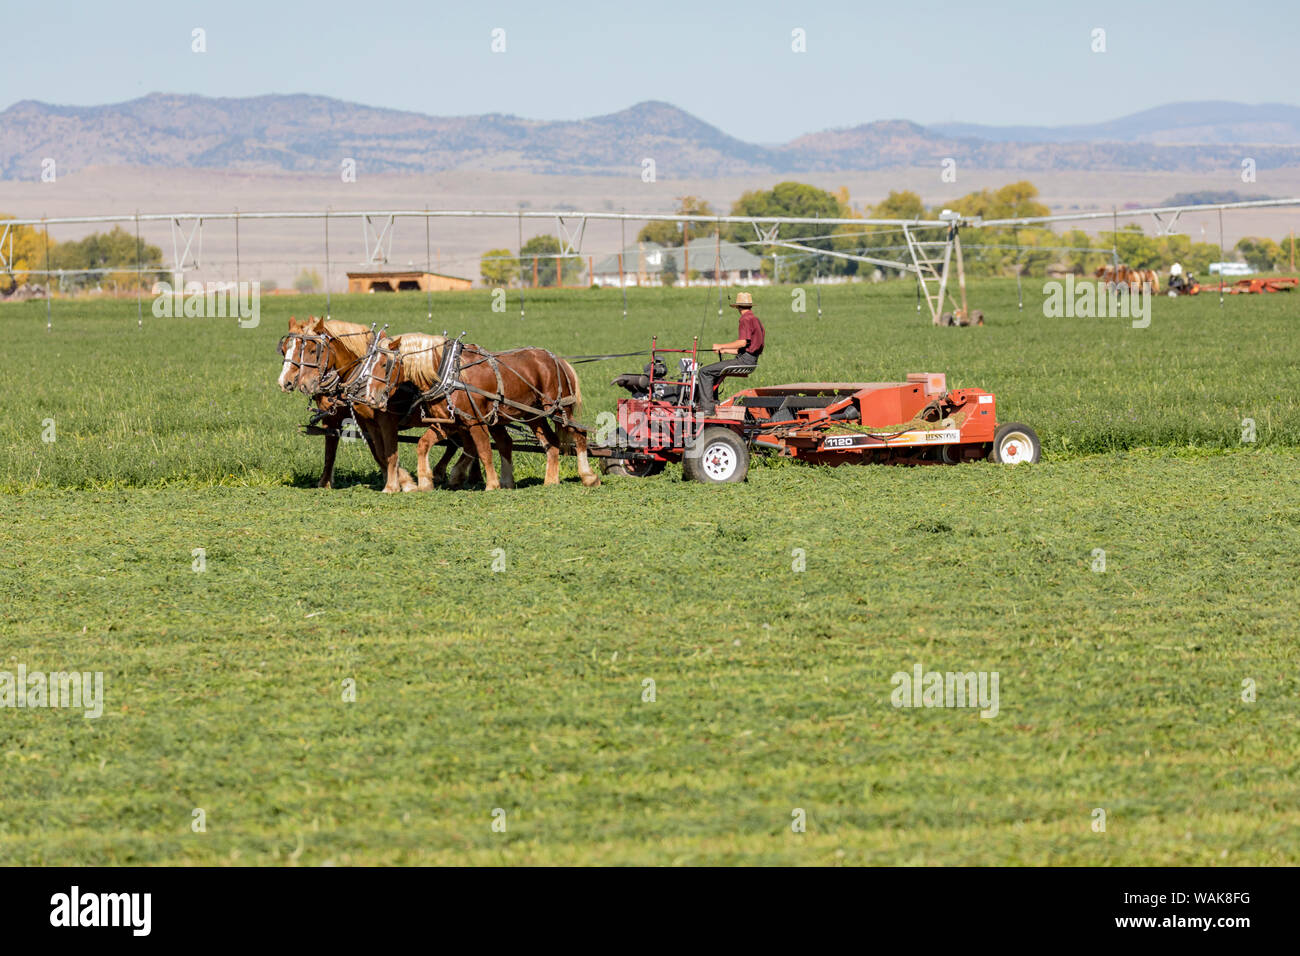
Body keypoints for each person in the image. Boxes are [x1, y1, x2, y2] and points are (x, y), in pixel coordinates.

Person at [698, 291, 764, 414]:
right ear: (750, 306)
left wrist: (721, 345)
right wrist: (724, 350)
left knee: (704, 372)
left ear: (738, 307)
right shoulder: (755, 319)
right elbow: (746, 348)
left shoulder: (745, 319)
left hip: (744, 360)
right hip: (751, 359)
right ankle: (714, 402)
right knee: (714, 372)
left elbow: (742, 343)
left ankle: (707, 408)